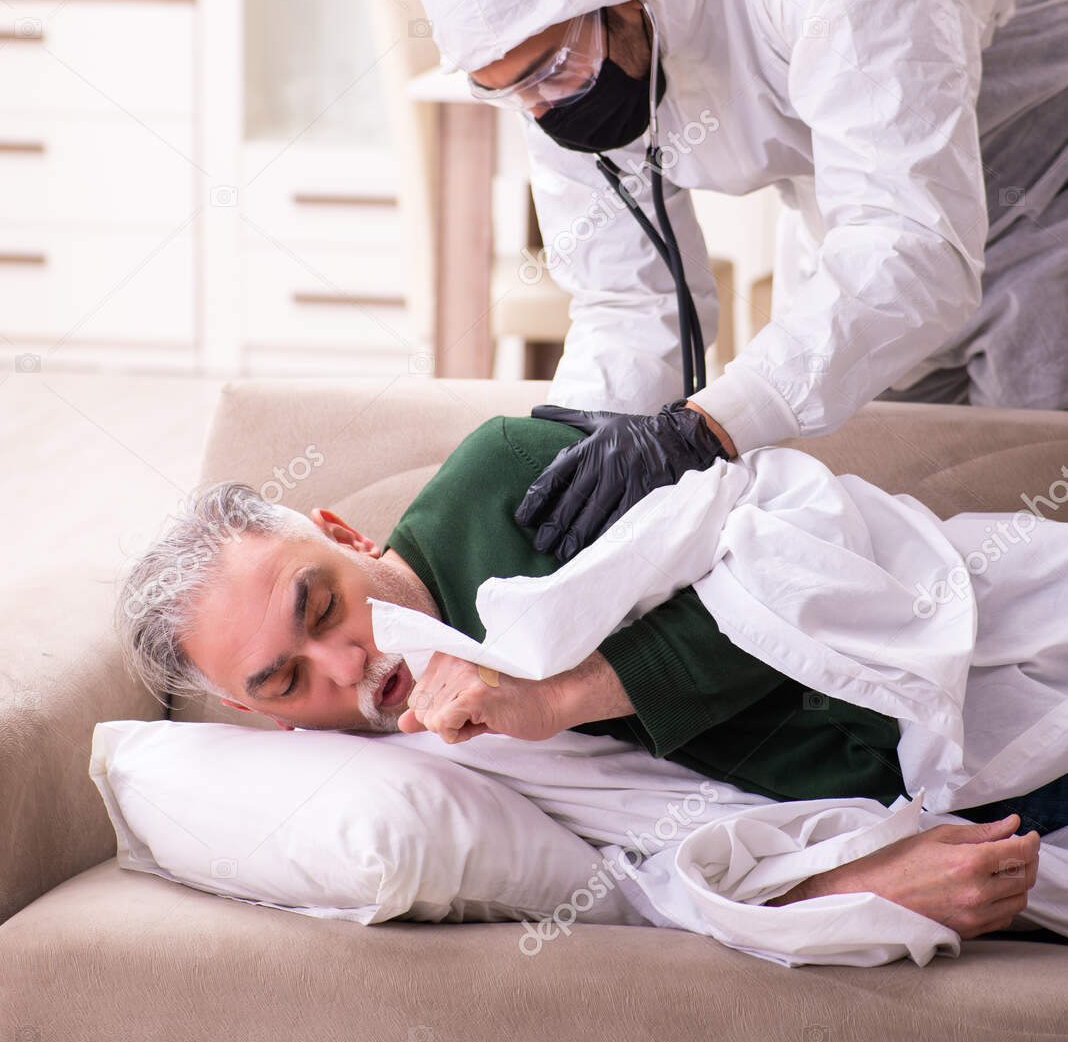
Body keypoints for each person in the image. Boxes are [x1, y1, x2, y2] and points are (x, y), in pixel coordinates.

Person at [116, 413, 1068, 964]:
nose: (344, 664)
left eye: (323, 605)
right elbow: (637, 881)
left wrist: (562, 695)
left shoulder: (503, 485)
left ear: (345, 534)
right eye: (287, 678)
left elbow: (803, 555)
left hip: (1001, 663)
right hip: (982, 829)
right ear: (255, 713)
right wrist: (847, 885)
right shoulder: (413, 763)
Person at [403, 0, 1068, 559]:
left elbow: (912, 242)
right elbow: (628, 299)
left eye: (550, 72)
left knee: (1027, 517)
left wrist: (703, 428)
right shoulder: (553, 56)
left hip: (1043, 190)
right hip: (848, 222)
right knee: (874, 518)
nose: (540, 111)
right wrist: (577, 460)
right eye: (508, 92)